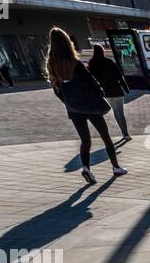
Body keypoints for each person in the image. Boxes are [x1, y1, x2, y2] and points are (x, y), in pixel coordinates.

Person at [46, 27, 126, 184]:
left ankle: (86, 168)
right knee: (105, 136)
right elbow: (91, 80)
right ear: (67, 42)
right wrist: (100, 93)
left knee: (85, 140)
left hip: (74, 108)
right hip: (90, 105)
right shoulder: (74, 61)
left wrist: (67, 102)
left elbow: (56, 89)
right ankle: (116, 167)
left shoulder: (52, 64)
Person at [88, 44, 131, 139]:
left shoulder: (92, 63)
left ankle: (116, 133)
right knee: (120, 112)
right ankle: (125, 133)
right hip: (116, 90)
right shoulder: (109, 62)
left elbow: (91, 78)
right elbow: (119, 75)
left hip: (105, 91)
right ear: (102, 51)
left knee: (113, 112)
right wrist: (126, 88)